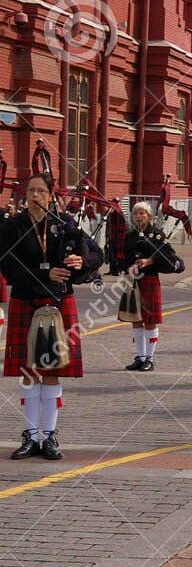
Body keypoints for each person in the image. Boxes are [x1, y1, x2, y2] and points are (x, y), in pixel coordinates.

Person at [0, 173, 102, 460]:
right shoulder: (12, 225)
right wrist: (45, 273)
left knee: (52, 371)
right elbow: (7, 265)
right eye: (31, 191)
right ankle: (31, 436)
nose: (35, 196)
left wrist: (82, 262)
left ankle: (49, 437)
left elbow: (98, 256)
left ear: (50, 195)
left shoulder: (64, 224)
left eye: (40, 191)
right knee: (29, 372)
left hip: (59, 301)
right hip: (25, 300)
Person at [121, 202, 184, 372]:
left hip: (150, 280)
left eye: (142, 213)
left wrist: (150, 261)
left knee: (150, 320)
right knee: (136, 320)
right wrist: (127, 267)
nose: (139, 217)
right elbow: (123, 257)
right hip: (133, 280)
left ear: (149, 216)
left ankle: (150, 358)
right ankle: (140, 357)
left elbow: (169, 258)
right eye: (136, 214)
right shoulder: (130, 235)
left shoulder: (157, 235)